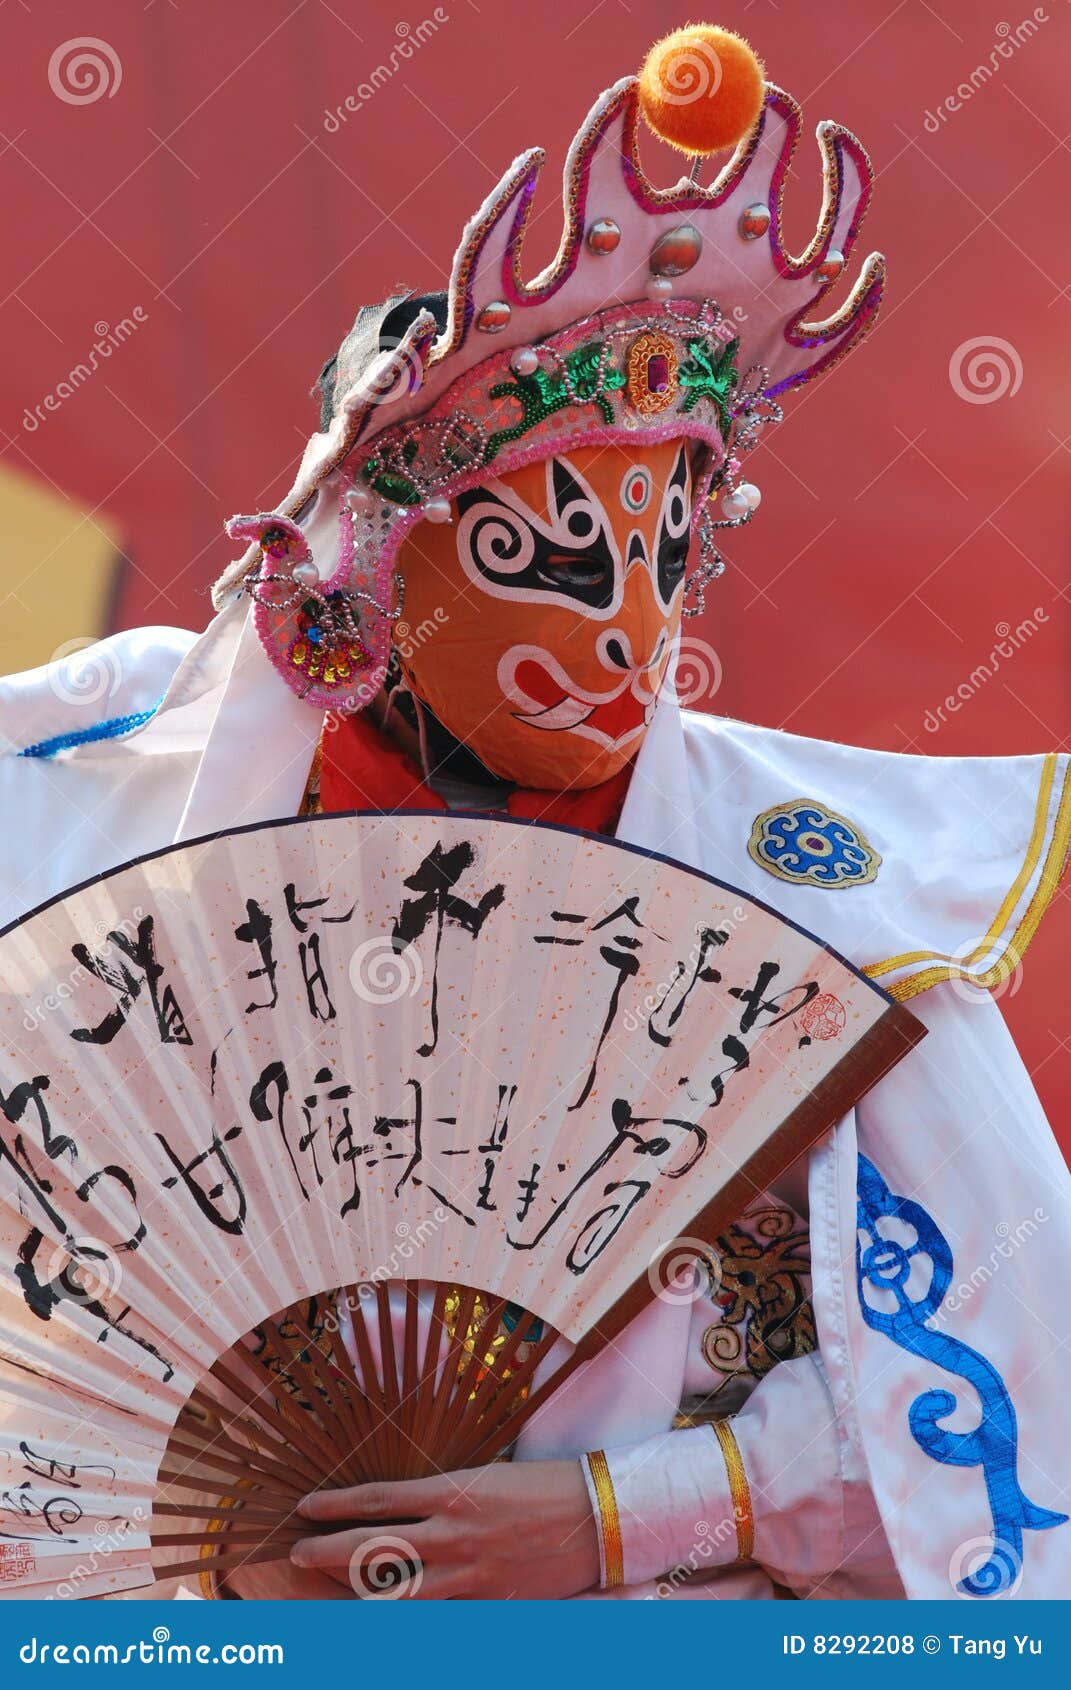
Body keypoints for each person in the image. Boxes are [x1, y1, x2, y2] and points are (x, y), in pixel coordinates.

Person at [2, 25, 1068, 1601]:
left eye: (665, 551)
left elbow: (1025, 1355)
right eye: (549, 555)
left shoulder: (823, 908)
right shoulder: (87, 791)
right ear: (376, 550)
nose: (632, 632)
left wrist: (626, 1512)